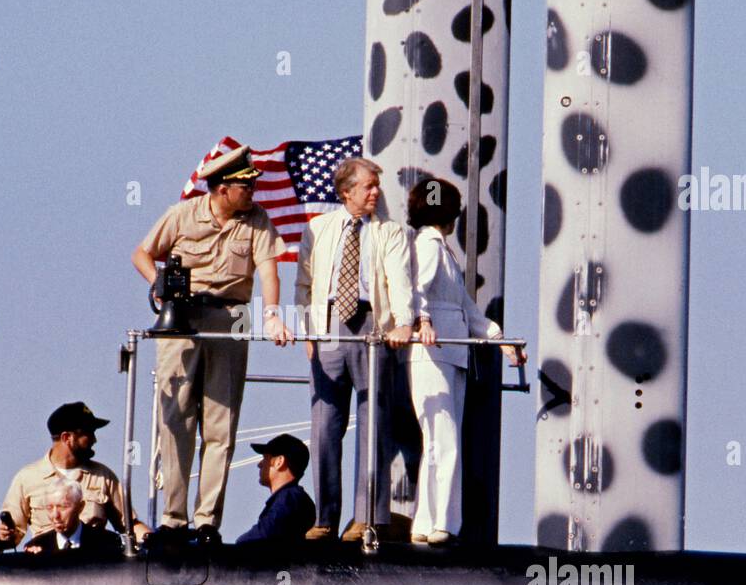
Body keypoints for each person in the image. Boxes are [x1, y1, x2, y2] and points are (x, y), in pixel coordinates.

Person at [132, 145, 293, 546]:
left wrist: (272, 313)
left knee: (220, 426)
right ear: (222, 189)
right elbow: (142, 253)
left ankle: (206, 522)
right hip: (182, 321)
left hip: (231, 319)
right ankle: (174, 519)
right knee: (176, 422)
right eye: (246, 185)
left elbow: (269, 270)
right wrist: (160, 285)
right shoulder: (182, 215)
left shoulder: (257, 221)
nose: (253, 190)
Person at [294, 156, 416, 543]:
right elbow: (303, 285)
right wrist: (308, 333)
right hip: (327, 323)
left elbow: (399, 281)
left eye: (377, 186)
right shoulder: (318, 229)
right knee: (325, 424)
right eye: (368, 186)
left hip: (371, 325)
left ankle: (366, 517)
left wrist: (404, 321)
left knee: (373, 423)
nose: (375, 192)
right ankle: (325, 516)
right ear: (347, 192)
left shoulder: (389, 233)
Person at [406, 177, 523, 545]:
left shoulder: (444, 251)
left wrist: (499, 340)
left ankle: (427, 522)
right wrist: (423, 321)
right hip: (433, 350)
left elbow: (467, 309)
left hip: (451, 351)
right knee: (445, 439)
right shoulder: (428, 244)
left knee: (439, 441)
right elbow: (415, 288)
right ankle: (443, 523)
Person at [0, 402, 149, 545]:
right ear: (67, 438)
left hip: (91, 566)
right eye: (88, 433)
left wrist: (155, 541)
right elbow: (12, 535)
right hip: (46, 565)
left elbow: (130, 526)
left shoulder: (103, 477)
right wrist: (6, 534)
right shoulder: (27, 479)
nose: (94, 440)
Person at [235, 434, 317, 545]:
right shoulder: (291, 498)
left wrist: (237, 546)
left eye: (265, 458)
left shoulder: (289, 499)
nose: (260, 464)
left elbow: (264, 534)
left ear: (279, 462)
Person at [23, 480, 121, 559]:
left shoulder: (108, 543)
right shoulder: (36, 547)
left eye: (63, 507)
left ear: (80, 507)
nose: (55, 515)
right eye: (49, 508)